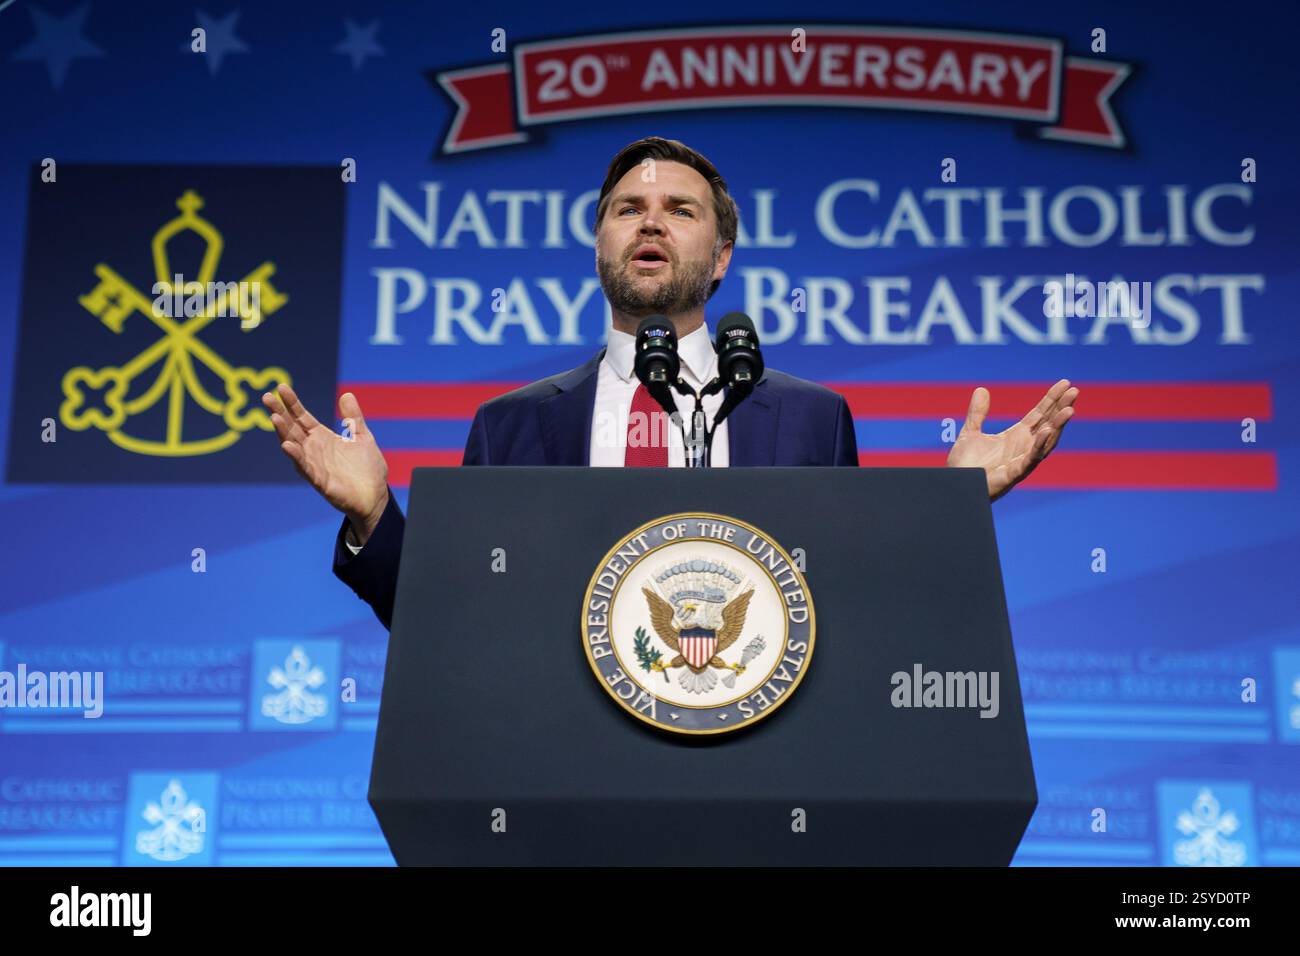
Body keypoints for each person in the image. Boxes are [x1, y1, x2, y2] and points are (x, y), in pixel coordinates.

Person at [263, 136, 1078, 629]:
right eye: (627, 208)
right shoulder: (510, 427)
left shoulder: (810, 418)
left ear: (721, 257)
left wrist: (952, 511)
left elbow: (856, 614)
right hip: (564, 796)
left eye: (680, 210)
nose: (650, 220)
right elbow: (453, 621)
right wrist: (377, 514)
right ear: (598, 248)